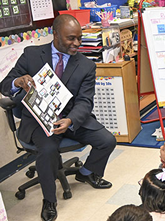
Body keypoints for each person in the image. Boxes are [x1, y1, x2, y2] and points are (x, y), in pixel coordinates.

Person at [0, 14, 116, 221]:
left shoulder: (86, 65)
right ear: (55, 34)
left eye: (79, 38)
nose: (77, 44)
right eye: (71, 38)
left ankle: (87, 173)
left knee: (107, 141)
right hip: (38, 120)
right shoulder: (32, 54)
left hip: (70, 117)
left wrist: (70, 120)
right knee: (48, 150)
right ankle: (50, 200)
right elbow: (5, 83)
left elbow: (85, 102)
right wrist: (18, 81)